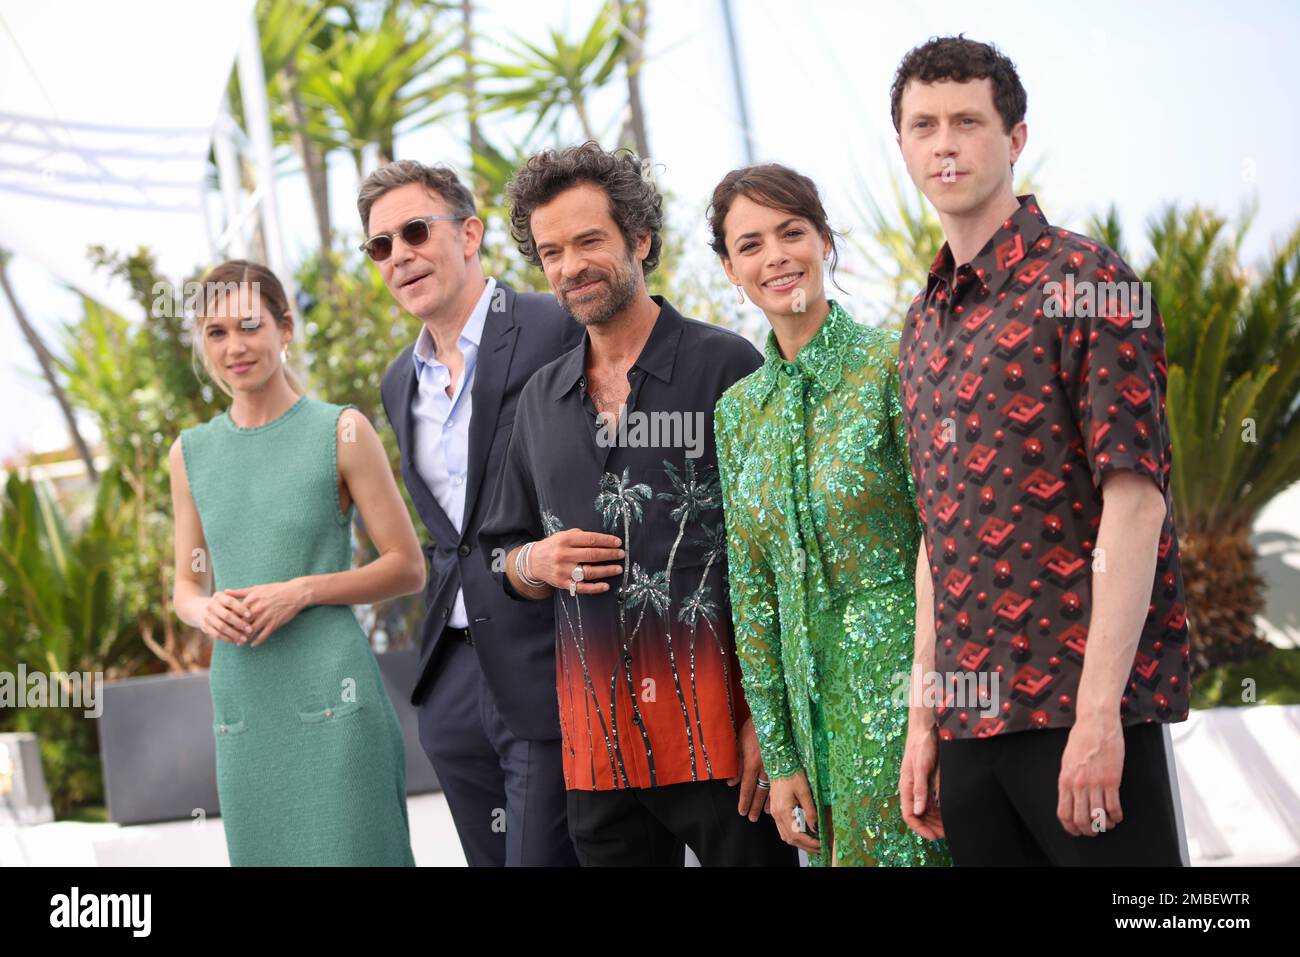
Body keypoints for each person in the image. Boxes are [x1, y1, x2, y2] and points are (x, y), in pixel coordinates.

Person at [891, 35, 1190, 865]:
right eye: (923, 125)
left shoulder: (1089, 282)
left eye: (966, 121)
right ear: (905, 146)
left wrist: (1100, 713)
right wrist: (925, 720)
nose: (944, 142)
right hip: (967, 728)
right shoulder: (921, 325)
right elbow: (934, 534)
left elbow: (1136, 501)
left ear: (1014, 139)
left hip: (1079, 718)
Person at [479, 141, 796, 866]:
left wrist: (767, 731)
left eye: (589, 240)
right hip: (598, 755)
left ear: (641, 239)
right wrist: (535, 560)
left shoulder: (729, 366)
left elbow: (778, 557)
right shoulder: (539, 399)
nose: (569, 266)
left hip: (722, 743)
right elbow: (502, 554)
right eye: (551, 250)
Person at [708, 163, 951, 868]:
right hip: (810, 731)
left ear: (825, 242)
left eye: (792, 232)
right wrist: (781, 759)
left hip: (905, 698)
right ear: (730, 270)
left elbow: (940, 540)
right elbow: (751, 592)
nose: (775, 256)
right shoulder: (736, 411)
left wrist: (927, 716)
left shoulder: (892, 363)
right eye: (750, 244)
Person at [365, 160, 583, 866]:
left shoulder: (556, 325)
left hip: (546, 653)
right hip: (454, 678)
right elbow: (446, 532)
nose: (400, 255)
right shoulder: (400, 381)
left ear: (469, 235)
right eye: (381, 245)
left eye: (415, 230)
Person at [170, 259, 423, 866]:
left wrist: (303, 590)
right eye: (216, 333)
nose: (235, 347)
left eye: (250, 326)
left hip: (332, 692)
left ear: (285, 330)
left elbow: (407, 566)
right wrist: (206, 610)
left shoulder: (341, 431)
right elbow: (185, 584)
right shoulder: (191, 454)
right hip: (245, 705)